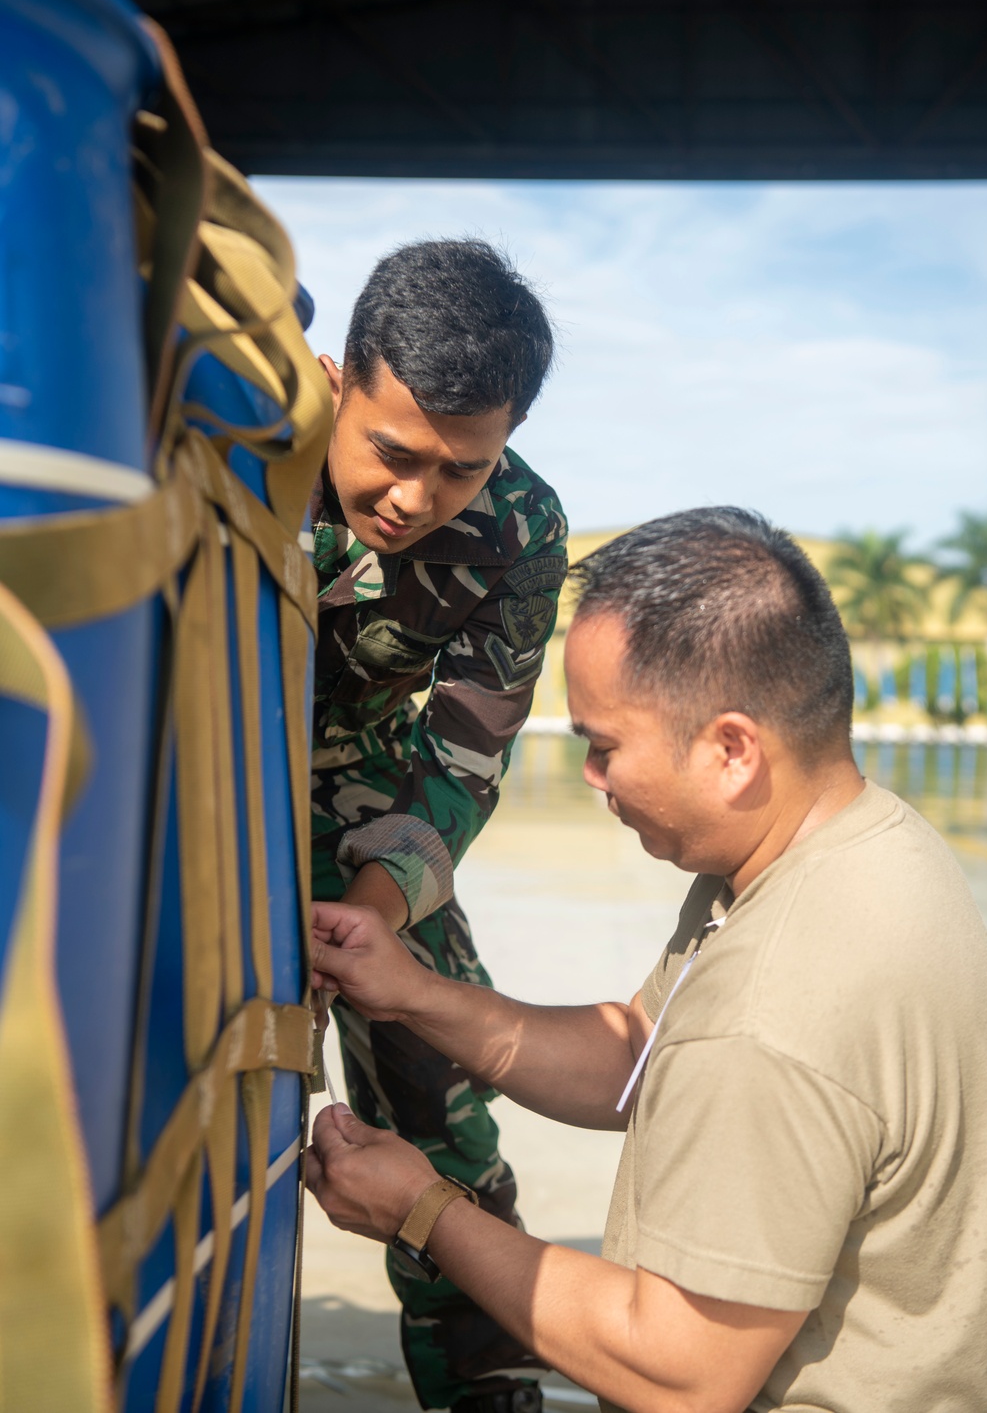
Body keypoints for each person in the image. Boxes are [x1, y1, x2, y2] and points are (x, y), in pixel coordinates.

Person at [306, 507, 987, 1413]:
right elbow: (644, 1053)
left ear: (731, 749)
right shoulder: (859, 846)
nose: (590, 777)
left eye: (604, 747)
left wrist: (423, 1212)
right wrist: (415, 994)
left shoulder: (770, 1010)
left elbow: (682, 1373)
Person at [309, 239, 567, 1413]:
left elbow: (462, 756)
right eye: (392, 453)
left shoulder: (517, 529)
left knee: (449, 1134)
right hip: (189, 791)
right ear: (336, 380)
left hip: (366, 813)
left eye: (460, 469)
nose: (415, 499)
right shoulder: (236, 443)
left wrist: (371, 926)